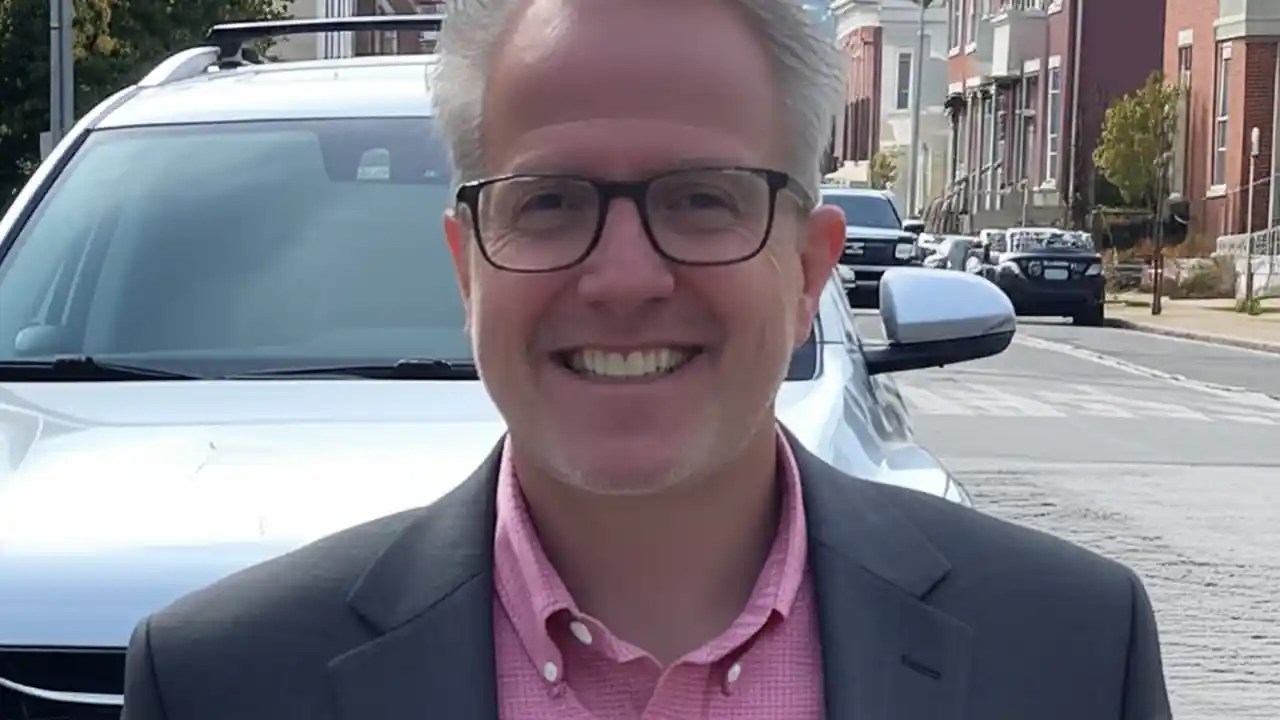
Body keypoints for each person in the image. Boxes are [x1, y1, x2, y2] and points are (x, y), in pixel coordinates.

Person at [120, 0, 1172, 718]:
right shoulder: (229, 680)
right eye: (549, 203)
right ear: (466, 267)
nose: (623, 278)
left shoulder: (1067, 655)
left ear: (808, 270)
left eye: (701, 199)